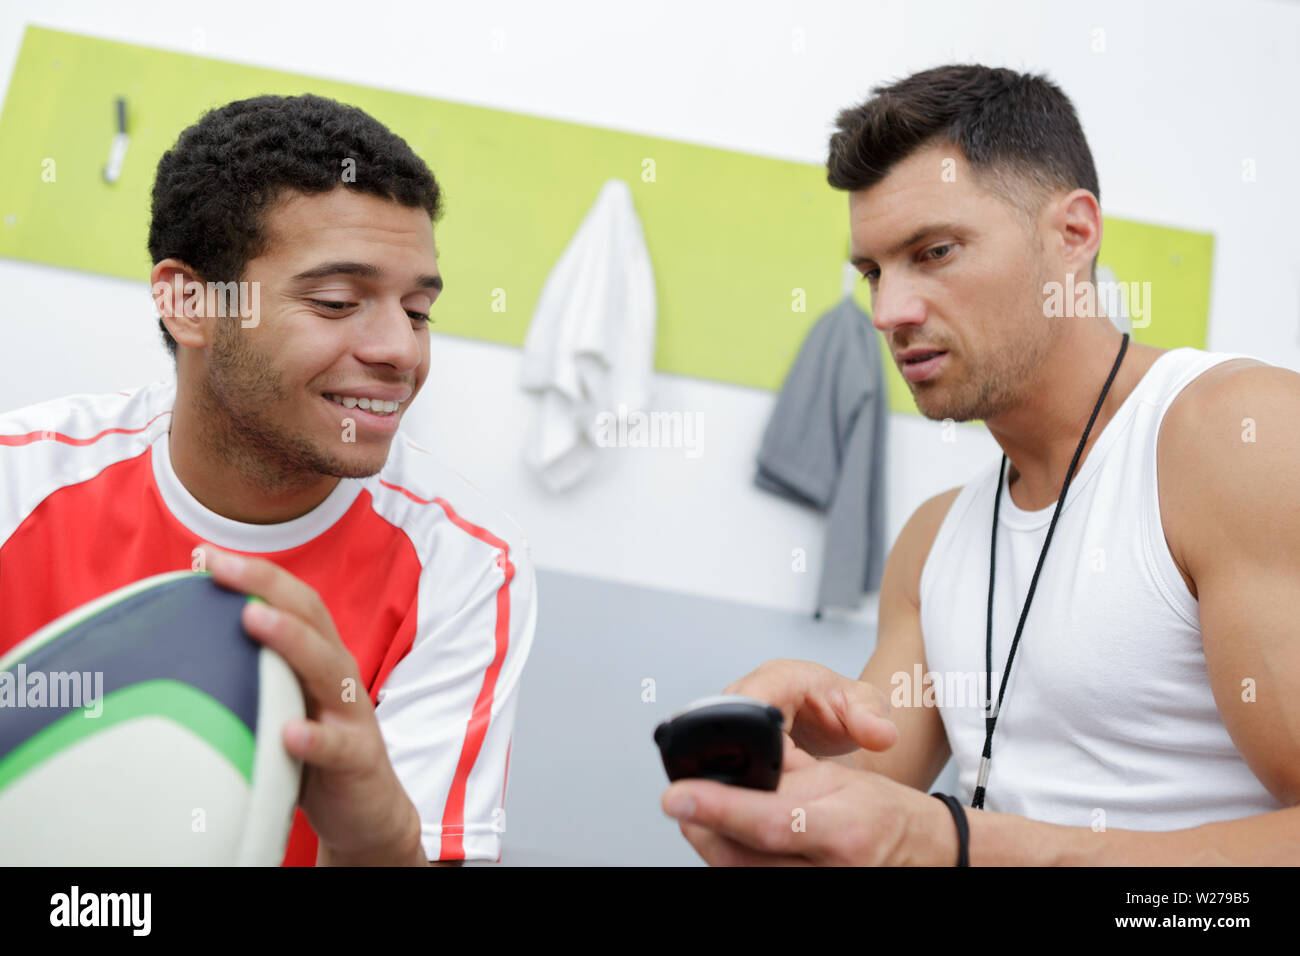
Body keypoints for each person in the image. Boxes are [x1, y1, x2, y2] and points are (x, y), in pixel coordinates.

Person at [662, 65, 1300, 865]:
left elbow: (930, 838)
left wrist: (957, 841)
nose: (888, 312)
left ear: (1072, 235)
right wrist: (770, 770)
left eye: (933, 251)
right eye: (872, 272)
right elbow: (872, 798)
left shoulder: (1240, 437)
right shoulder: (934, 541)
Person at [0, 94, 536, 866]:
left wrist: (376, 836)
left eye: (418, 311)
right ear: (189, 302)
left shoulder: (464, 567)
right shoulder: (21, 483)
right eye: (337, 302)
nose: (400, 351)